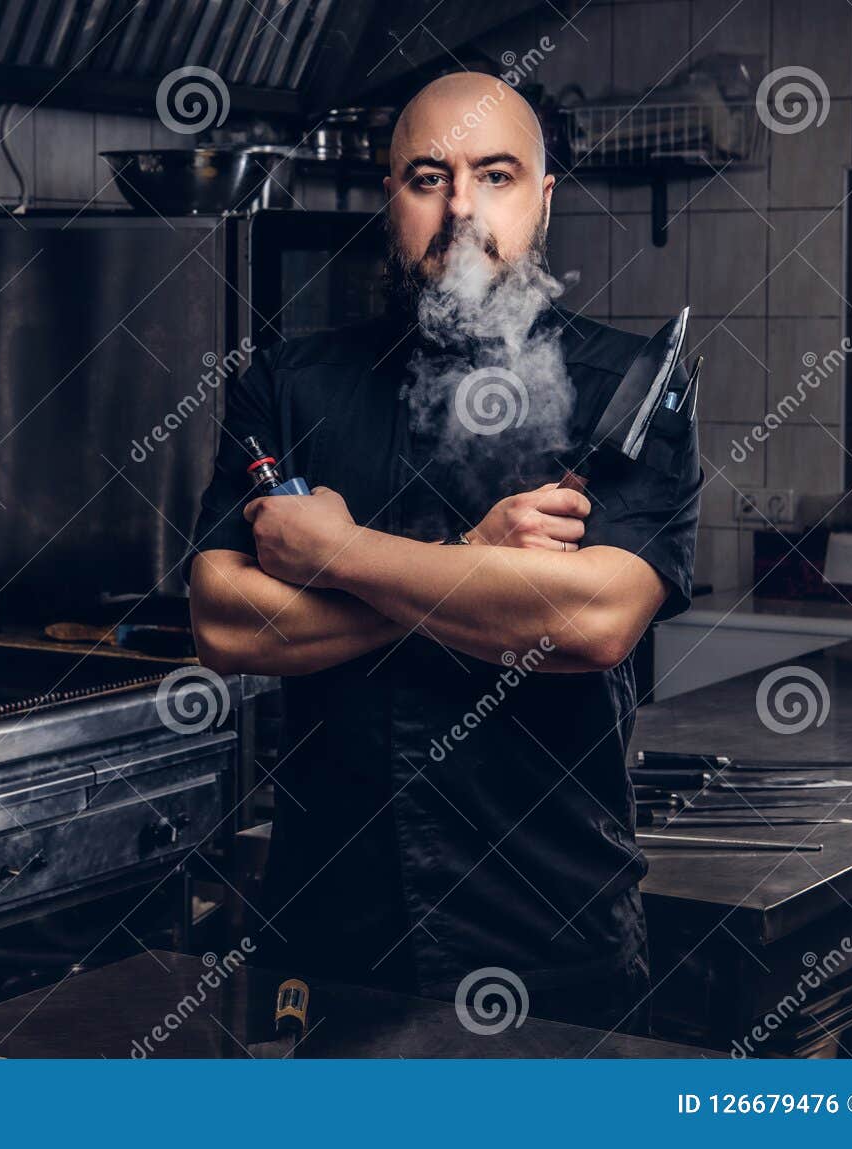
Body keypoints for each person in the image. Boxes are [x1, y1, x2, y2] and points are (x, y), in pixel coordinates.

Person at [187, 72, 701, 1032]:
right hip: (330, 929)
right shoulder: (291, 382)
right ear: (391, 195)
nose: (460, 207)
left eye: (495, 174)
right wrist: (475, 559)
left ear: (542, 197)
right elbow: (221, 619)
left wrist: (336, 552)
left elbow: (589, 621)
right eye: (429, 176)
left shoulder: (623, 388)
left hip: (552, 930)